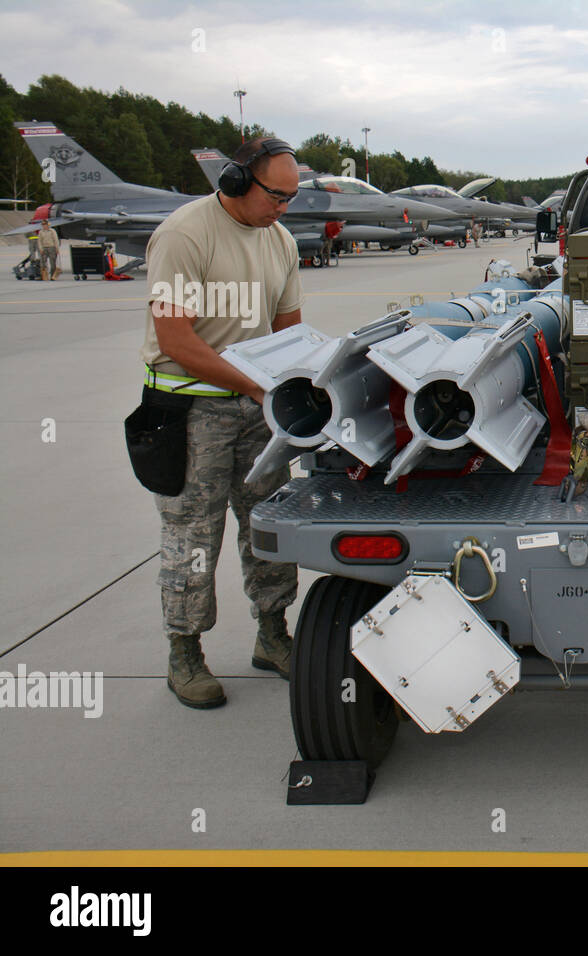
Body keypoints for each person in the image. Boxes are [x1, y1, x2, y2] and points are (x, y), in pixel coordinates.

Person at [141, 136, 304, 709]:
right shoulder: (187, 234)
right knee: (193, 534)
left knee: (268, 525)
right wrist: (254, 383)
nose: (283, 208)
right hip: (192, 411)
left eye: (291, 199)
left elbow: (288, 330)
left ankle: (273, 634)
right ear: (238, 182)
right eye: (275, 196)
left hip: (257, 410)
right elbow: (175, 339)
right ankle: (184, 653)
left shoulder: (280, 240)